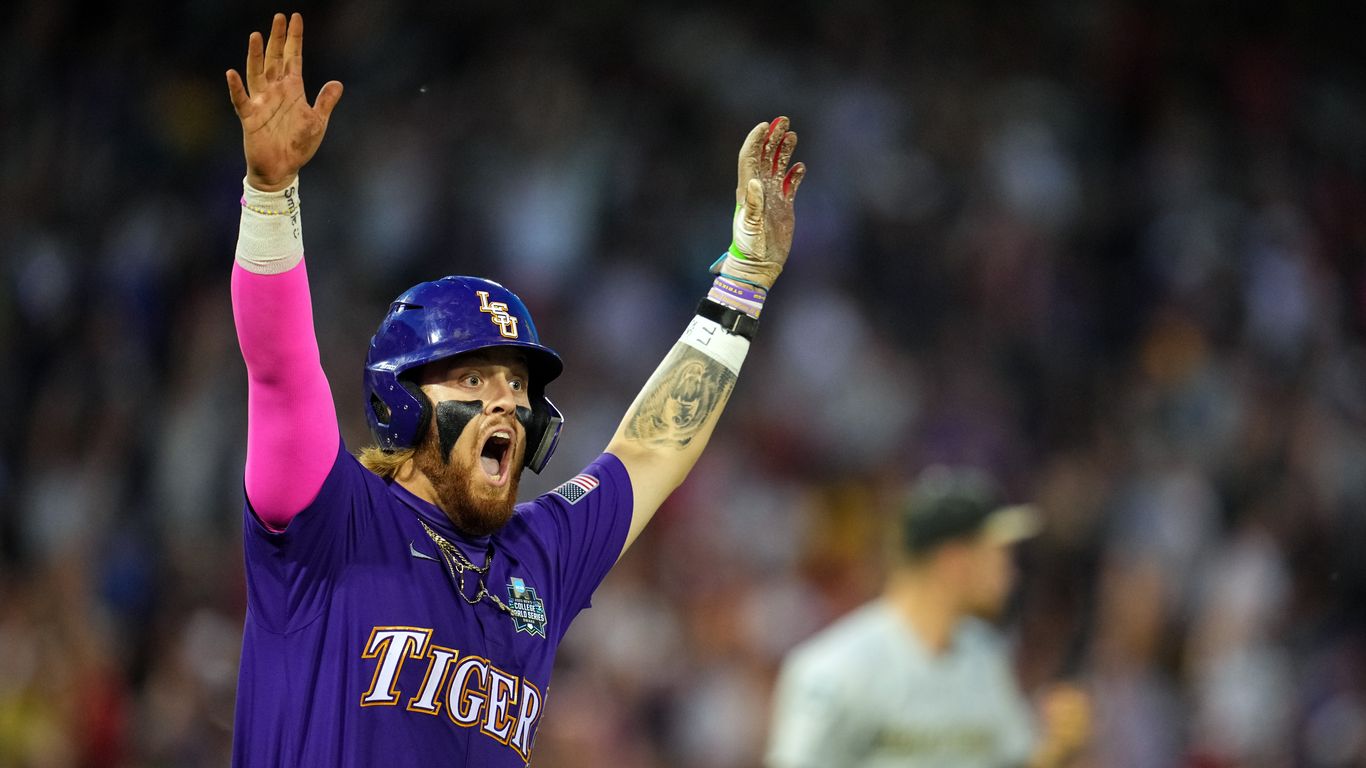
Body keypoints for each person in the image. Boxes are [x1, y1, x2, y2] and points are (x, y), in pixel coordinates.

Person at [223, 12, 805, 766]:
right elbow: (278, 366)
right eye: (473, 377)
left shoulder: (538, 555)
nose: (506, 401)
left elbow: (650, 451)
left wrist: (744, 279)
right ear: (400, 402)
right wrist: (270, 196)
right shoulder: (328, 518)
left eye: (518, 384)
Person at [765, 466, 1091, 768]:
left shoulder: (985, 655)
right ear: (954, 561)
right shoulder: (837, 668)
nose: (1011, 572)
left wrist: (1057, 749)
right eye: (997, 553)